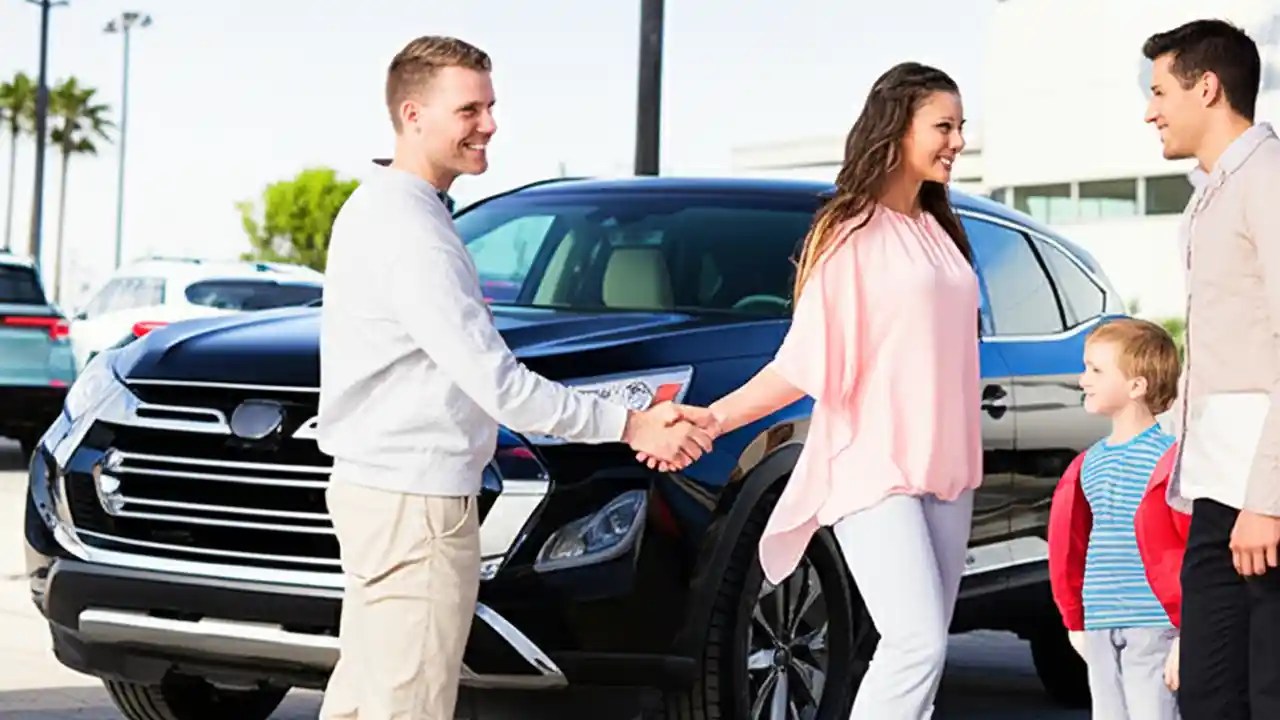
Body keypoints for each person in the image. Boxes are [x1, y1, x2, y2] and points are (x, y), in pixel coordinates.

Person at [316, 35, 717, 720]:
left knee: (369, 697)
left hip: (383, 495)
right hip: (416, 505)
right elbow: (502, 386)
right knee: (404, 705)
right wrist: (632, 422)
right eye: (469, 109)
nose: (489, 124)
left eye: (491, 106)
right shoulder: (413, 232)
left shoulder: (383, 209)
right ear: (413, 115)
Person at [642, 61, 981, 718]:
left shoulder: (940, 230)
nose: (958, 141)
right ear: (897, 126)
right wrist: (711, 419)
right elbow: (804, 364)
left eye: (960, 127)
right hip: (871, 464)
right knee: (914, 646)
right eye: (944, 126)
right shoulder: (851, 234)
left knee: (925, 650)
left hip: (948, 467)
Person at [1142, 18, 1280, 719]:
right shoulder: (1211, 194)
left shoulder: (1270, 180)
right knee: (1208, 694)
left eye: (1160, 90)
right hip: (1218, 494)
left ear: (1208, 86)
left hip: (1263, 497)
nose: (1150, 110)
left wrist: (1268, 497)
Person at [1047, 318, 1187, 719]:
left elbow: (1189, 545)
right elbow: (1069, 544)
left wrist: (1188, 631)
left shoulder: (1171, 460)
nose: (1082, 379)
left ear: (1136, 386)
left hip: (1154, 623)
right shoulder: (1087, 464)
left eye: (1096, 370)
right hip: (1100, 619)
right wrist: (1075, 618)